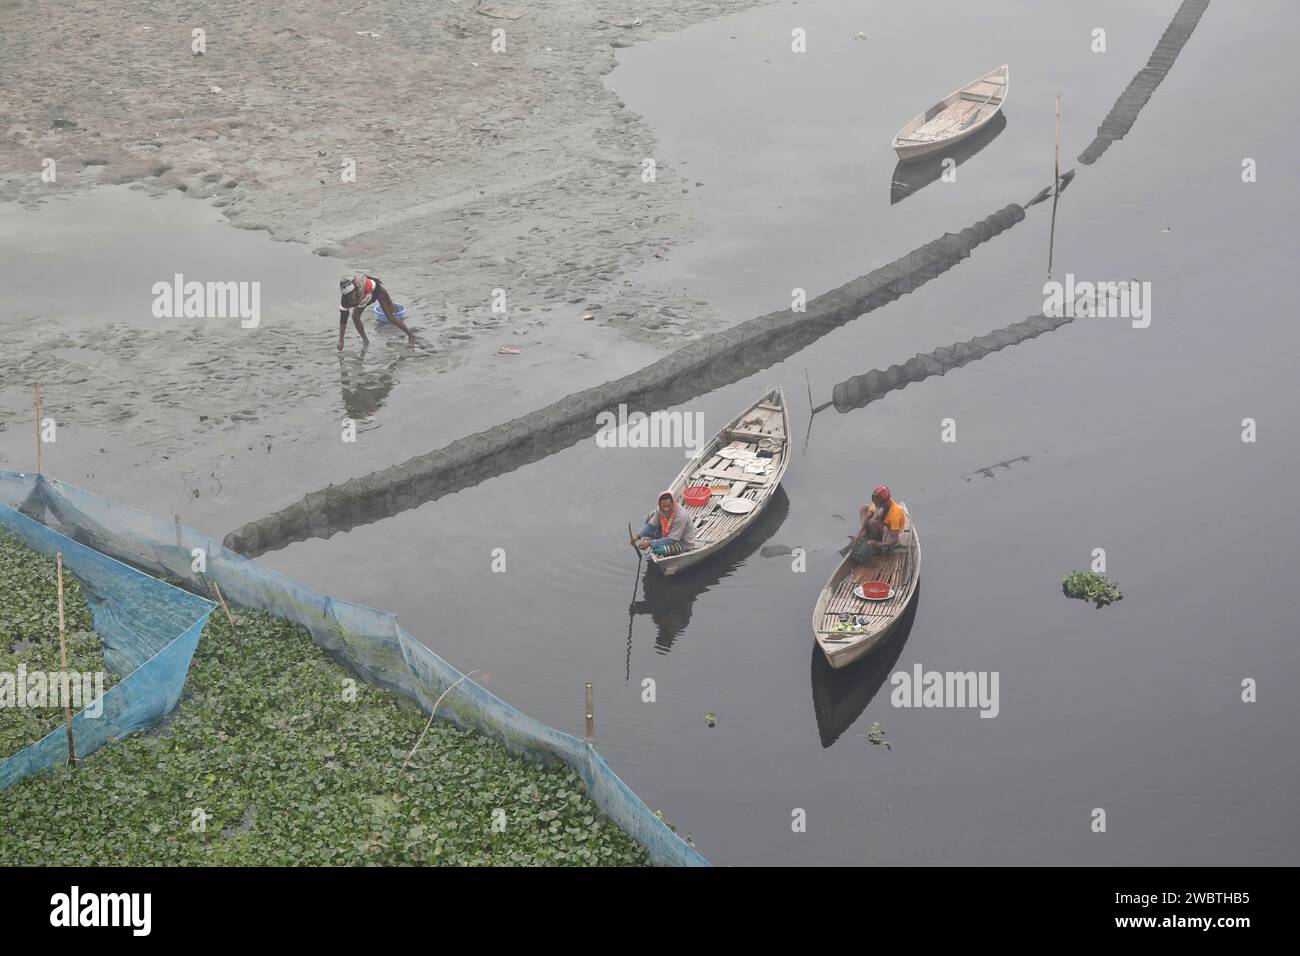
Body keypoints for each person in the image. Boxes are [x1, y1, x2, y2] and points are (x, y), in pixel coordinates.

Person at [337, 274, 415, 350]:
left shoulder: (364, 285)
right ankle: (365, 340)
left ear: (355, 289)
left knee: (390, 317)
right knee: (355, 317)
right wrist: (341, 340)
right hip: (362, 301)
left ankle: (411, 335)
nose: (352, 296)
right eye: (348, 295)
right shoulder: (345, 302)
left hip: (374, 293)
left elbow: (381, 289)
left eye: (352, 293)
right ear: (345, 296)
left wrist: (391, 304)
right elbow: (343, 322)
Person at [849, 484, 906, 562]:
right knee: (864, 509)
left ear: (886, 502)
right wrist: (859, 533)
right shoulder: (877, 502)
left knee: (873, 523)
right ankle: (863, 535)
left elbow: (895, 539)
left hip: (892, 535)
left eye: (877, 504)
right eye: (875, 502)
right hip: (883, 524)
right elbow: (868, 517)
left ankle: (876, 546)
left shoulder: (895, 513)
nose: (875, 505)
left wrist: (878, 544)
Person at [634, 491, 699, 557]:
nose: (666, 509)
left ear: (673, 504)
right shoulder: (659, 509)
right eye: (663, 506)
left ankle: (653, 542)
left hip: (682, 542)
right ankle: (654, 541)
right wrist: (639, 535)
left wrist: (650, 543)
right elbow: (651, 525)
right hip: (668, 535)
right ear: (659, 505)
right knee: (651, 515)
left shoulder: (681, 516)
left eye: (668, 506)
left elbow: (672, 539)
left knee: (658, 550)